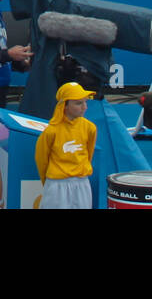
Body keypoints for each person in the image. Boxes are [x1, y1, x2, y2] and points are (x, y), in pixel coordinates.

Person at [35, 82, 97, 211]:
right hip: (57, 184)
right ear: (65, 106)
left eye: (85, 102)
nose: (84, 107)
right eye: (78, 103)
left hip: (82, 183)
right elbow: (41, 161)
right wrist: (49, 183)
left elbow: (89, 155)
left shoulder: (90, 128)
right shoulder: (51, 131)